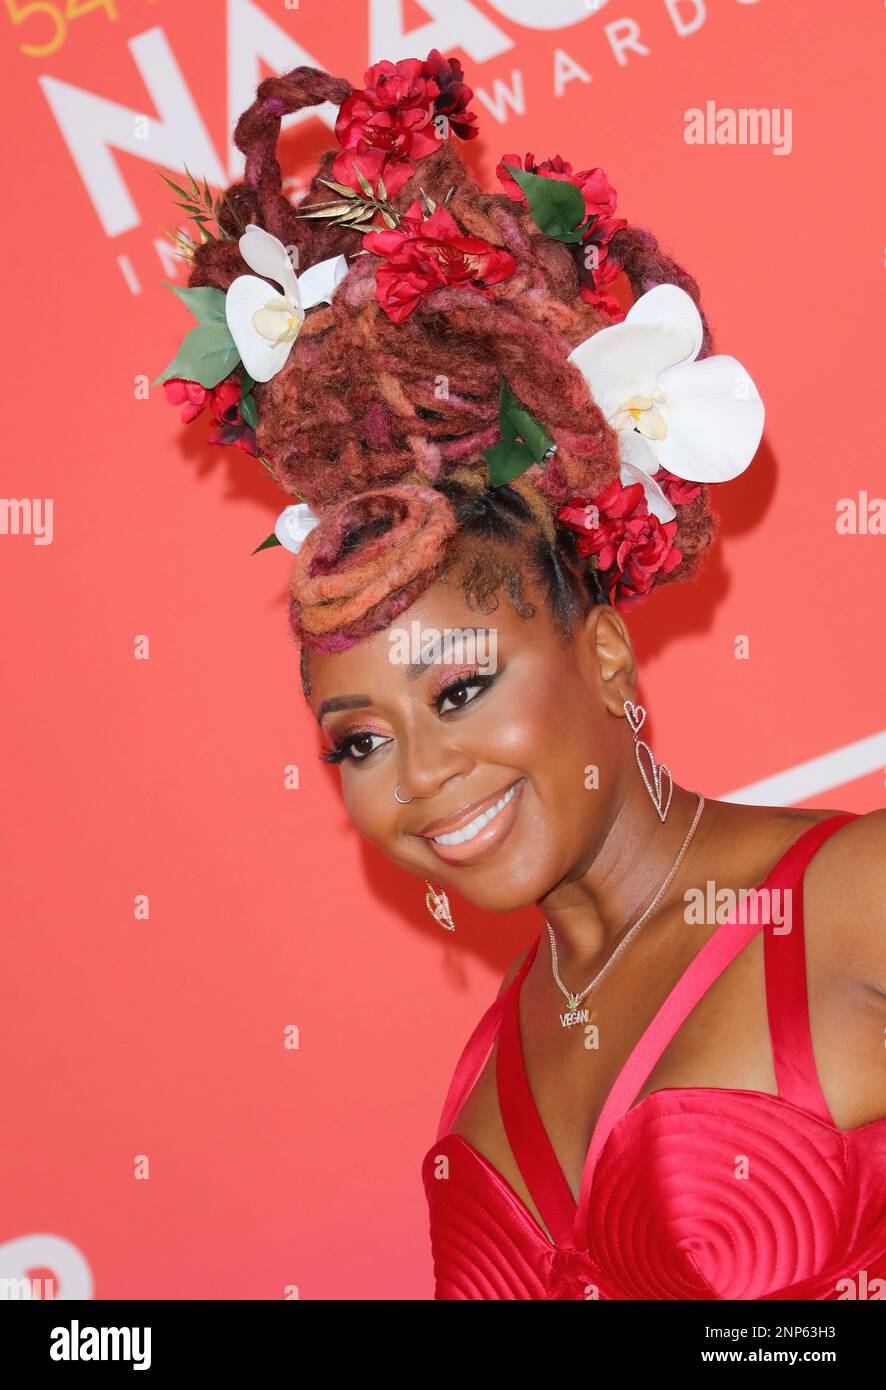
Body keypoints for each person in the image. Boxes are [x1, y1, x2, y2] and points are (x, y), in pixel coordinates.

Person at [157, 54, 886, 1300]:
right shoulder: (478, 1087)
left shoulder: (858, 896)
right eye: (358, 740)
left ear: (602, 657)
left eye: (455, 693)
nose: (421, 777)